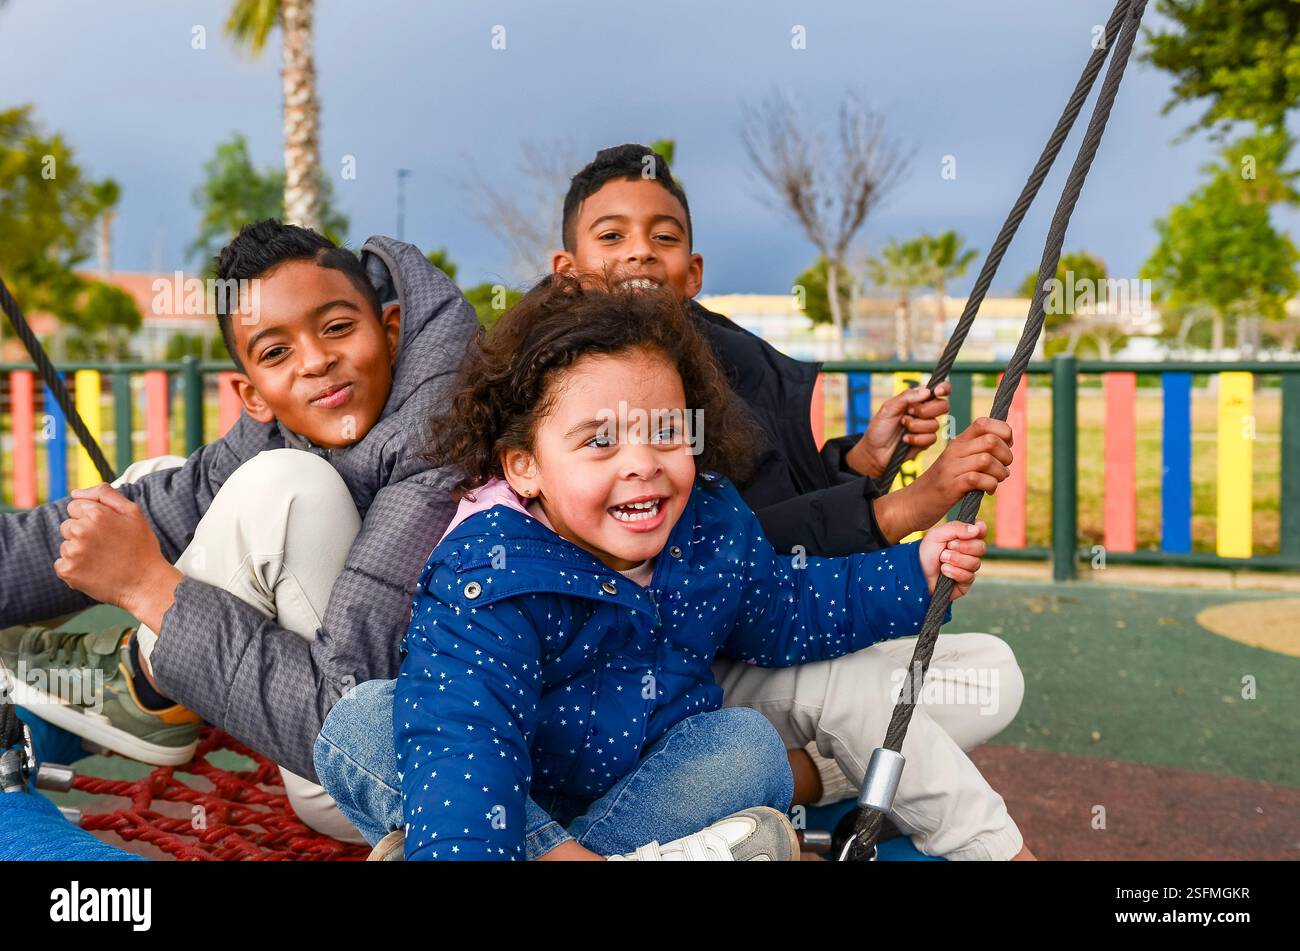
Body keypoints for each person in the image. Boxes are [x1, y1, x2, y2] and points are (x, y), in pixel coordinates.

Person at [313, 275, 990, 860]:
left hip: (643, 788)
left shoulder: (710, 525)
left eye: (666, 431)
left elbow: (789, 608)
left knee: (746, 746)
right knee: (362, 723)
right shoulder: (491, 570)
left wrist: (914, 575)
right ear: (525, 466)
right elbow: (465, 745)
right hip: (508, 793)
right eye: (599, 440)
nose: (640, 461)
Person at [546, 144, 1033, 859]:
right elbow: (718, 548)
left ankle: (800, 782)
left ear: (695, 272)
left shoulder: (713, 364)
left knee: (992, 675)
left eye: (664, 237)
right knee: (859, 694)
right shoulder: (560, 389)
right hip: (671, 666)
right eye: (612, 235)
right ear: (568, 273)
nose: (641, 254)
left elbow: (752, 520)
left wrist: (862, 461)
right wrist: (909, 506)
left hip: (748, 627)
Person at [0, 220, 479, 841]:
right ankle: (149, 681)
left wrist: (148, 588)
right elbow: (171, 500)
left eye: (336, 327)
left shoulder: (439, 430)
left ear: (389, 331)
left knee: (285, 486)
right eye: (277, 351)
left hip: (388, 769)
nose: (315, 362)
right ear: (252, 397)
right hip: (347, 711)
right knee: (159, 479)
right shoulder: (298, 414)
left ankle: (147, 690)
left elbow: (348, 713)